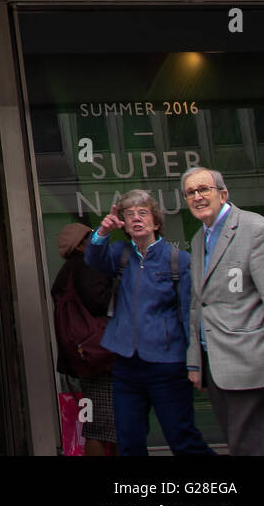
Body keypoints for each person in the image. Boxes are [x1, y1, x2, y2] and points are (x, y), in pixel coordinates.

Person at [85, 190, 213, 456]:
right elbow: (93, 260)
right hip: (127, 366)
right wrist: (103, 232)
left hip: (167, 365)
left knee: (183, 440)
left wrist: (195, 362)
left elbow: (190, 314)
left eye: (143, 213)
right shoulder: (121, 254)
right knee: (129, 442)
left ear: (156, 222)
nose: (136, 219)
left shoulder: (178, 260)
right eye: (129, 215)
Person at [182, 166, 264, 456]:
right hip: (216, 369)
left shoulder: (256, 230)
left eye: (205, 189)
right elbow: (197, 303)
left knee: (251, 449)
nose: (198, 197)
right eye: (191, 192)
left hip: (253, 367)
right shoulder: (200, 238)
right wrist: (195, 363)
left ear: (224, 193)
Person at [50, 221, 117, 454]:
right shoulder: (89, 265)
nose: (96, 240)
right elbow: (99, 301)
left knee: (103, 425)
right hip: (101, 354)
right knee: (104, 428)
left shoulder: (67, 271)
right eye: (91, 237)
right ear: (80, 245)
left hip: (85, 356)